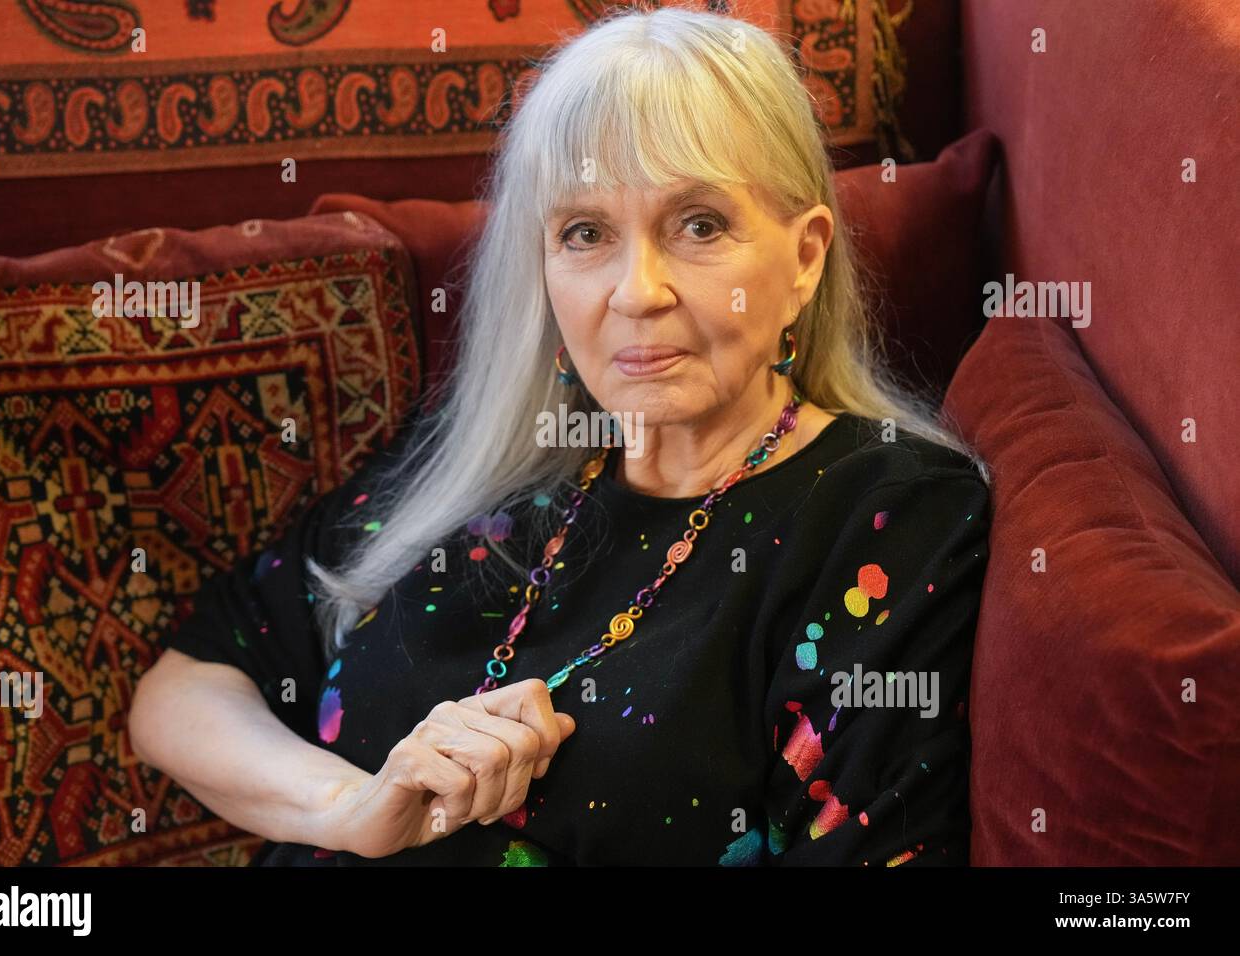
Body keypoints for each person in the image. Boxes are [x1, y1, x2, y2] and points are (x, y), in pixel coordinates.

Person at [130, 5, 991, 867]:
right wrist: (351, 805)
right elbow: (185, 684)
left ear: (804, 258)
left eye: (698, 224)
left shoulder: (889, 518)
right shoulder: (491, 459)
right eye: (585, 233)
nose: (636, 292)